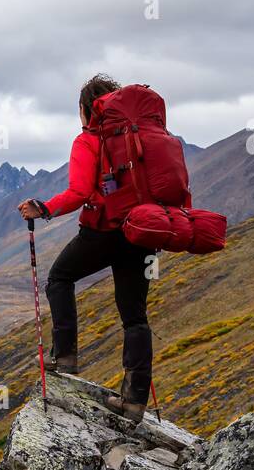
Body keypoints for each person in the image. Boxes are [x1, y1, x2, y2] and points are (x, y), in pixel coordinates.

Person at [18, 74, 154, 423]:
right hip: (141, 232)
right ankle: (135, 400)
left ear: (85, 110)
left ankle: (65, 356)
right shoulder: (140, 136)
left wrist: (44, 208)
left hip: (104, 230)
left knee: (60, 278)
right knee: (135, 317)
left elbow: (79, 193)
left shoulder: (88, 141)